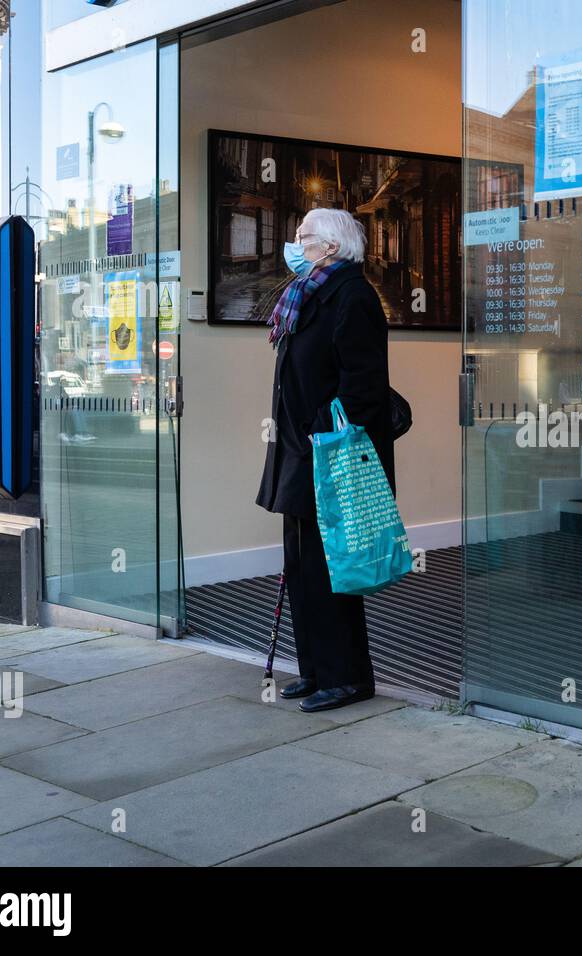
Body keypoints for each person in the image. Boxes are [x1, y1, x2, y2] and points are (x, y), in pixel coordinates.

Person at [256, 208, 395, 713]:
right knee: (301, 566)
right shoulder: (308, 293)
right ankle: (314, 670)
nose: (294, 244)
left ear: (331, 247)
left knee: (330, 566)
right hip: (299, 451)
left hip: (327, 453)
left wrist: (320, 430)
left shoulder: (352, 296)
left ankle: (348, 677)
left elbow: (364, 385)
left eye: (303, 236)